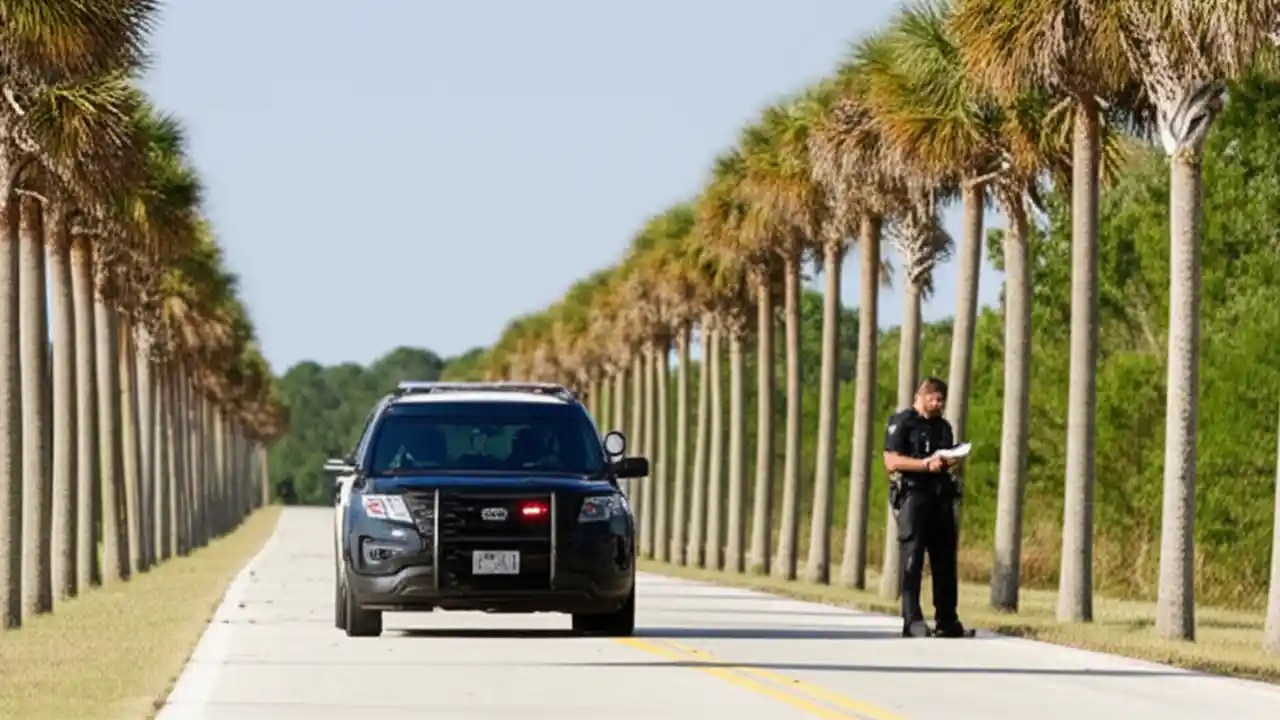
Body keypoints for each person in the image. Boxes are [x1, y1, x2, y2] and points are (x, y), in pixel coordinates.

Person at [883, 376, 969, 638]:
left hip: (940, 497)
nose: (939, 404)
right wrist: (924, 465)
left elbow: (944, 456)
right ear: (922, 396)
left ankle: (947, 620)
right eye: (935, 399)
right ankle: (912, 621)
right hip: (913, 495)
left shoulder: (943, 427)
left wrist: (949, 460)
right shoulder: (903, 422)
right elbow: (891, 461)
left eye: (942, 400)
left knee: (945, 561)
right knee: (913, 559)